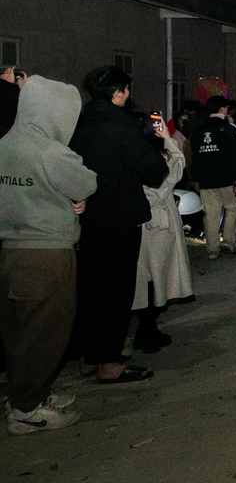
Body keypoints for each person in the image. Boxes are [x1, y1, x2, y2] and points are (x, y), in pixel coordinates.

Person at [0, 76, 96, 434]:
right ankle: (27, 412)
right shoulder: (50, 150)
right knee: (45, 333)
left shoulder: (5, 144)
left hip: (10, 252)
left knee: (18, 334)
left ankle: (32, 395)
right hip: (47, 254)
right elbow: (85, 183)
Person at [70, 66, 168, 384]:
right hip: (119, 216)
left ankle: (89, 354)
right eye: (126, 89)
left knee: (89, 287)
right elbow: (153, 170)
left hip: (86, 215)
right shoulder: (122, 125)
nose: (128, 94)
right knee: (116, 290)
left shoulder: (79, 122)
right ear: (117, 92)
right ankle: (109, 362)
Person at [130, 112, 193, 354]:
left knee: (145, 277)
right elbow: (177, 167)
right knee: (158, 277)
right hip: (159, 223)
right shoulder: (156, 159)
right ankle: (147, 330)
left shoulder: (130, 156)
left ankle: (147, 328)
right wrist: (168, 140)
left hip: (142, 221)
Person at [190, 95, 236, 260]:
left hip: (206, 180)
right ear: (223, 109)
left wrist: (196, 179)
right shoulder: (230, 128)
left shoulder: (199, 130)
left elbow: (196, 157)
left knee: (211, 214)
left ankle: (213, 249)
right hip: (228, 179)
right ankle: (228, 242)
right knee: (234, 208)